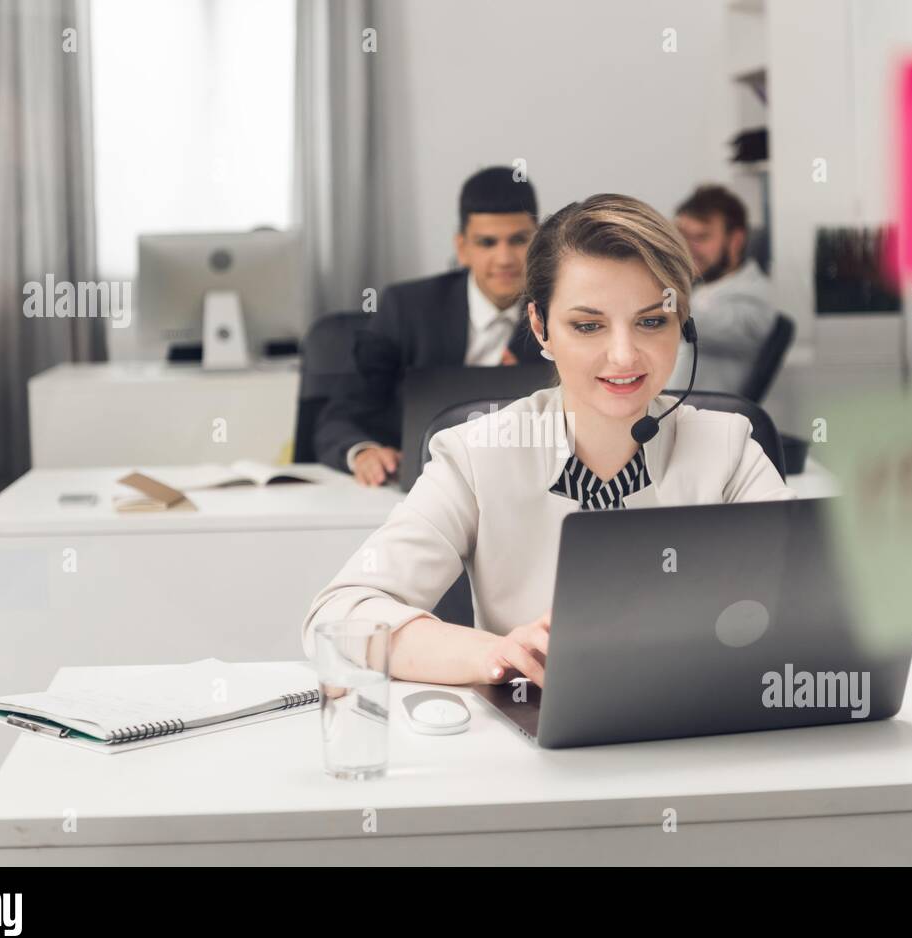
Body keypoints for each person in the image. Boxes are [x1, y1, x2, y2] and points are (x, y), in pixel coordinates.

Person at [302, 194, 794, 687]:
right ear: (540, 327)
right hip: (536, 745)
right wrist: (496, 653)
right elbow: (338, 619)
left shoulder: (728, 446)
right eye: (587, 325)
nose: (624, 356)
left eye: (651, 321)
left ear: (682, 323)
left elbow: (807, 604)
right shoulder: (476, 454)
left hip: (700, 735)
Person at [313, 167, 544, 484]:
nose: (504, 259)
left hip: (519, 483)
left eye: (518, 240)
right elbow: (339, 417)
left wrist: (528, 384)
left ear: (540, 243)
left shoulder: (560, 313)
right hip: (418, 483)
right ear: (462, 248)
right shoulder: (406, 308)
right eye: (487, 243)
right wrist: (365, 452)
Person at [668, 185, 776, 394]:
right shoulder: (699, 287)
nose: (688, 248)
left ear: (735, 241)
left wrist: (657, 293)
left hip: (704, 419)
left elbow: (714, 323)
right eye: (682, 237)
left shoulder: (756, 296)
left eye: (700, 238)